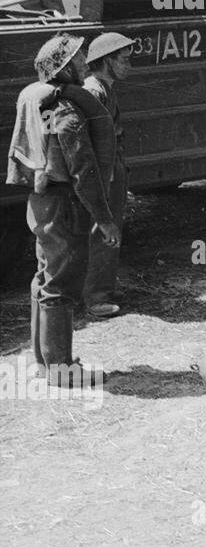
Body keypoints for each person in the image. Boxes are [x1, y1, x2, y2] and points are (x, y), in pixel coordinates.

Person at [6, 33, 119, 386]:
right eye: (78, 58)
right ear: (66, 67)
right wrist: (104, 218)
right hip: (64, 204)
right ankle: (61, 370)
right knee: (62, 282)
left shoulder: (40, 101)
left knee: (45, 276)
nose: (85, 61)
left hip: (41, 202)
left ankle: (45, 361)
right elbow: (83, 171)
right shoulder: (68, 111)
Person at [82, 32, 135, 318]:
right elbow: (93, 139)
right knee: (103, 231)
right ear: (106, 61)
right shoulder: (95, 90)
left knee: (108, 230)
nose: (129, 66)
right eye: (123, 60)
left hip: (111, 168)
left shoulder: (104, 87)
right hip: (104, 171)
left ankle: (103, 287)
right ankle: (96, 298)